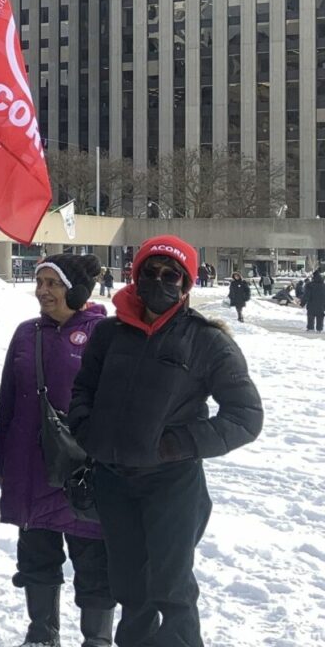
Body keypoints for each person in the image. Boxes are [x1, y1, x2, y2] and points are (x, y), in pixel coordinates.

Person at [68, 235, 264, 647]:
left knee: (172, 589)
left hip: (172, 484)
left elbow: (245, 416)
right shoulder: (108, 333)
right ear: (135, 277)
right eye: (149, 272)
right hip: (113, 482)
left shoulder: (207, 341)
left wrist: (176, 446)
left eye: (170, 274)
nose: (159, 281)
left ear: (186, 284)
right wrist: (88, 429)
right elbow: (83, 388)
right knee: (129, 587)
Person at [0, 255, 114, 647]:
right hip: (30, 468)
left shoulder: (104, 333)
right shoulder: (27, 333)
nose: (43, 291)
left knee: (93, 562)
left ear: (77, 290)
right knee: (36, 556)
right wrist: (1, 457)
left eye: (53, 283)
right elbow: (8, 400)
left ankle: (96, 639)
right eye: (39, 281)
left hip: (84, 474)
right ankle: (41, 631)